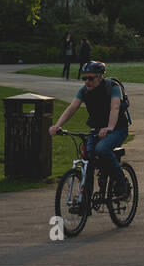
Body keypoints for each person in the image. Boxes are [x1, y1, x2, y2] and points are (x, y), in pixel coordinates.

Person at [49, 60, 128, 195]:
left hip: (117, 129)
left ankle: (122, 183)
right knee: (88, 157)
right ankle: (85, 200)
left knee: (102, 148)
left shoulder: (112, 87)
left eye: (90, 78)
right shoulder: (84, 91)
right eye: (84, 78)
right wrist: (58, 125)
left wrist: (109, 127)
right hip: (96, 129)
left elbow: (114, 108)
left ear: (100, 76)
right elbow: (72, 108)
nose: (87, 82)